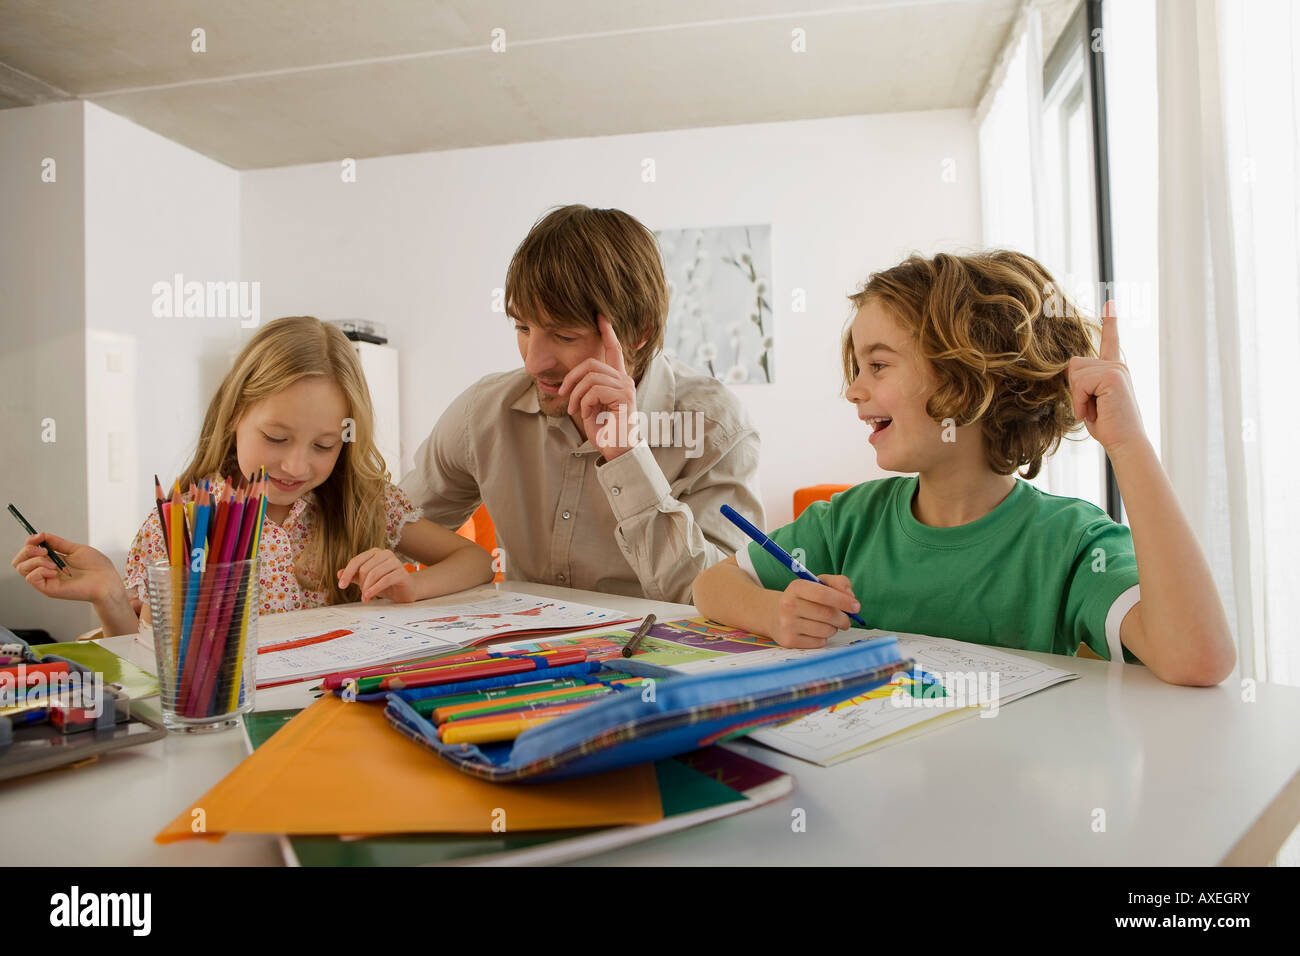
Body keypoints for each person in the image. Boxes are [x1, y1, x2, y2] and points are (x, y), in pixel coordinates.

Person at [692, 251, 1235, 687]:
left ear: (965, 377)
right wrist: (773, 613)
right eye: (858, 368)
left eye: (878, 365)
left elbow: (1197, 658)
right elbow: (711, 587)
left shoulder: (1070, 543)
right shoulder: (847, 522)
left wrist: (1128, 443)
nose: (854, 390)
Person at [12, 316, 494, 636]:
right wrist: (111, 595)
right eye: (277, 438)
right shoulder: (185, 518)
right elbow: (143, 661)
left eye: (324, 445)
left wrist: (413, 586)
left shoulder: (364, 500)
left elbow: (473, 560)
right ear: (233, 416)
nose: (296, 466)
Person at [400, 204, 765, 604]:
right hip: (526, 653)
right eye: (522, 327)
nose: (533, 362)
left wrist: (627, 455)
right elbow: (394, 527)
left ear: (638, 332)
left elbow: (729, 600)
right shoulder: (484, 413)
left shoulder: (716, 427)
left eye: (564, 336)